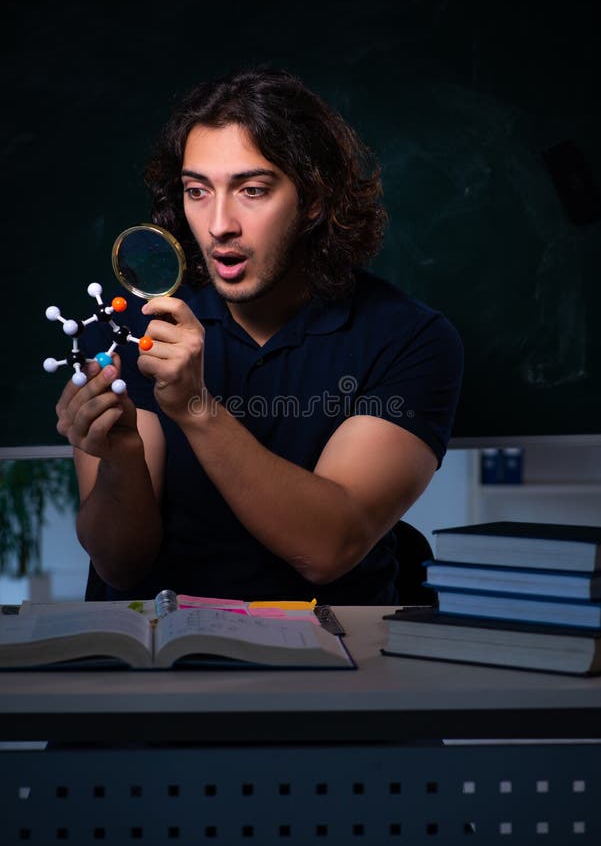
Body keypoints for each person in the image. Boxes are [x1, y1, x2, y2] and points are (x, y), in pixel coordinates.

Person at [55, 66, 463, 605]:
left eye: (251, 190)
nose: (219, 223)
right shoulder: (126, 329)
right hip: (155, 651)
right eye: (197, 191)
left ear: (314, 199)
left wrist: (197, 408)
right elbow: (121, 565)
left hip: (337, 655)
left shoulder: (409, 339)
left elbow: (327, 546)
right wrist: (122, 459)